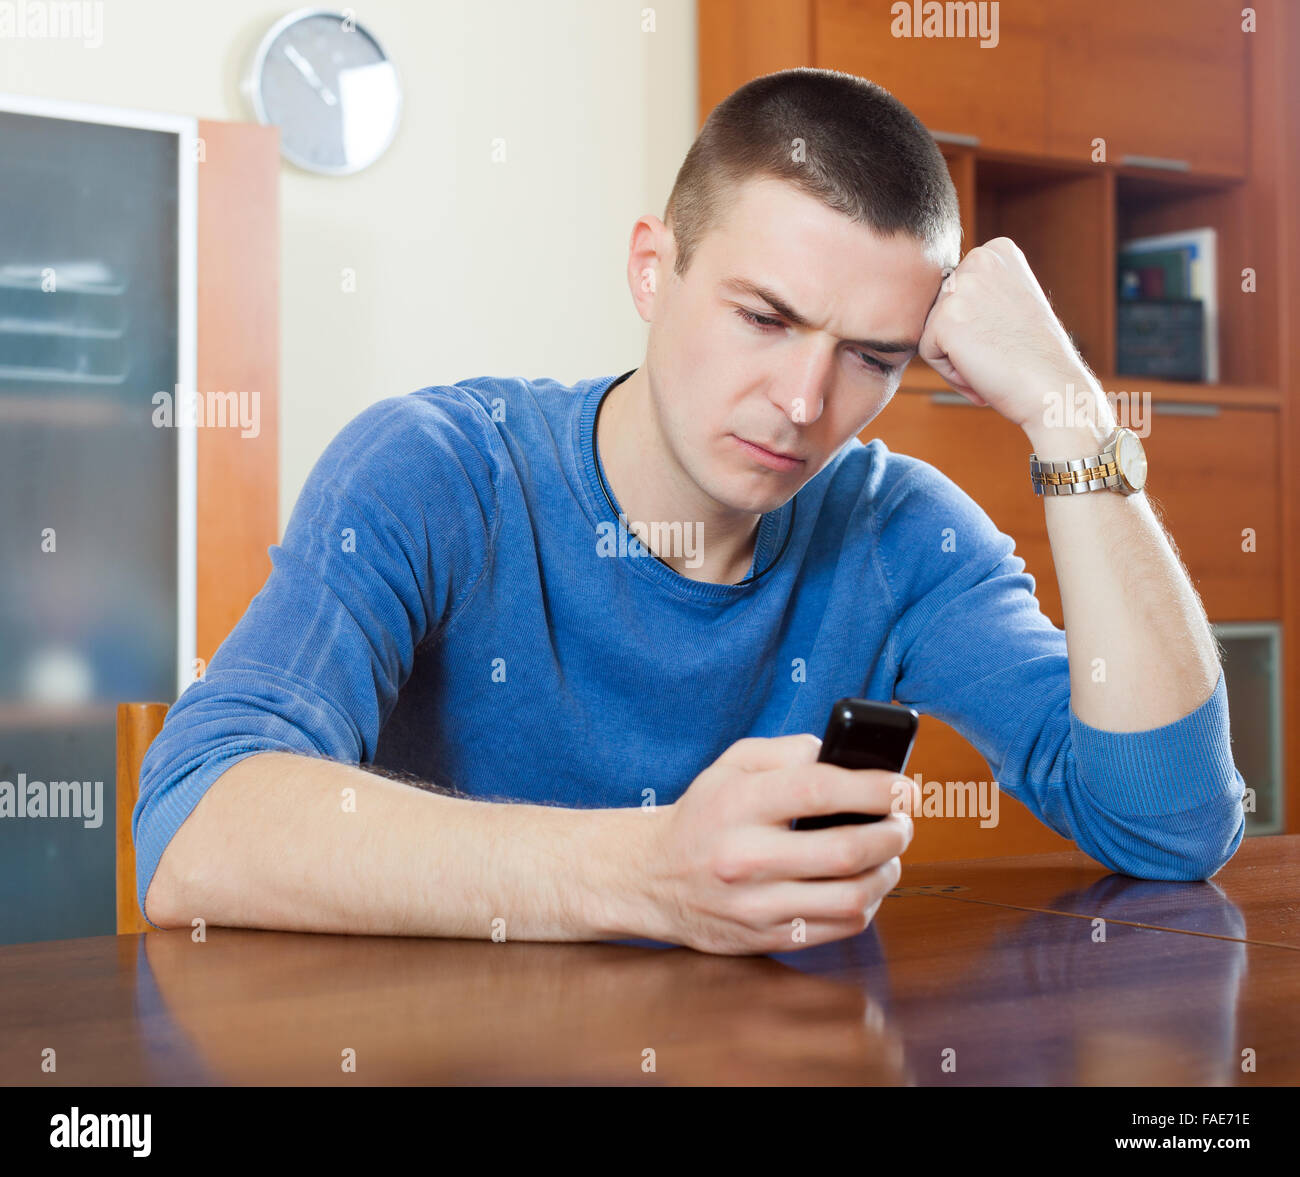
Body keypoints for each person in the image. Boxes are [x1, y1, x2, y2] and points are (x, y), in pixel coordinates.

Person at [135, 68, 1243, 956]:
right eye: (764, 317)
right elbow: (195, 825)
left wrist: (1069, 415)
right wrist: (647, 873)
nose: (804, 401)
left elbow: (1172, 821)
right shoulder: (434, 470)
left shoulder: (897, 531)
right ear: (650, 269)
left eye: (870, 357)